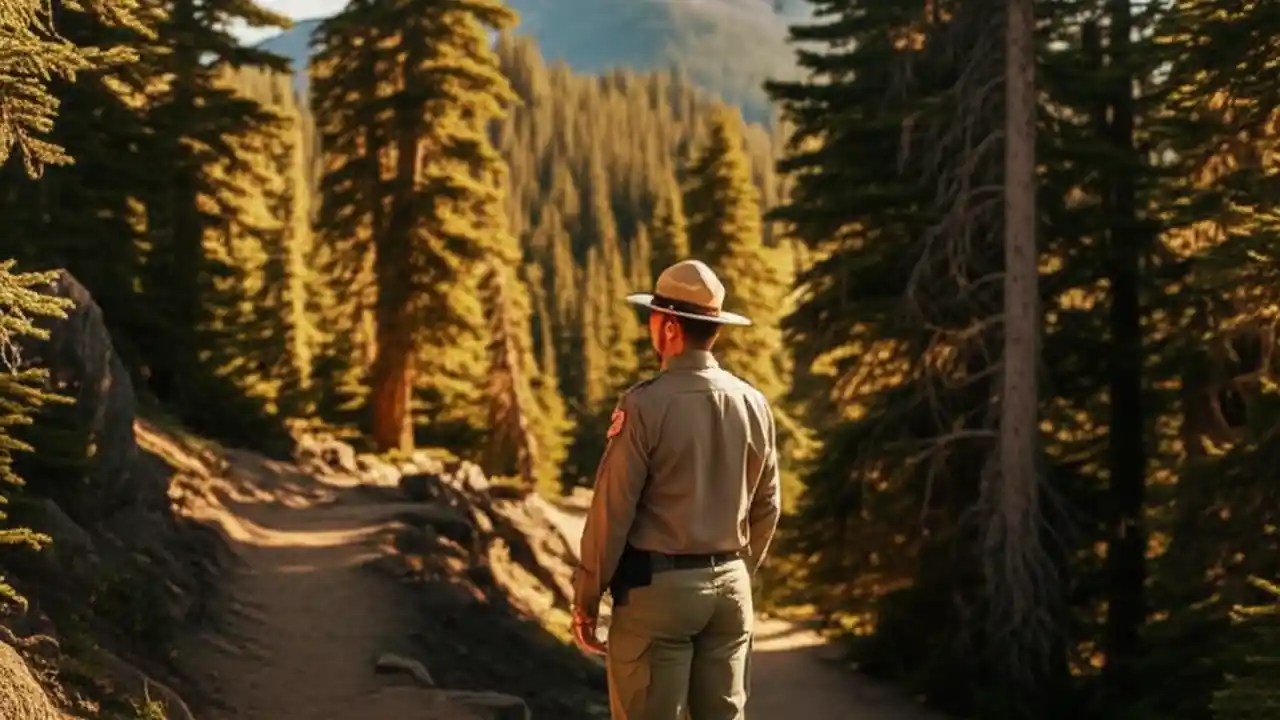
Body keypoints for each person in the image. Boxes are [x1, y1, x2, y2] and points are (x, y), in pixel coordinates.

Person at [571, 259, 782, 720]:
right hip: (730, 592)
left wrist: (586, 601)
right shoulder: (754, 402)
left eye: (652, 317)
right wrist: (737, 568)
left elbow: (613, 511)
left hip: (657, 595)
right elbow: (768, 506)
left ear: (668, 328)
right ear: (714, 330)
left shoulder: (645, 404)